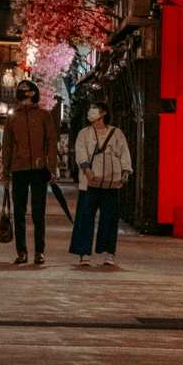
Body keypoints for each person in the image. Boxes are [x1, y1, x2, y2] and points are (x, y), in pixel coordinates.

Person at [1, 79, 59, 265]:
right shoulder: (12, 117)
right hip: (18, 169)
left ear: (33, 92)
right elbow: (7, 145)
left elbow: (51, 142)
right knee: (19, 212)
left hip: (39, 169)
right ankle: (21, 252)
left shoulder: (44, 114)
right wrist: (6, 170)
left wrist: (50, 167)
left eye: (24, 89)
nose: (21, 91)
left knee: (38, 213)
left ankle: (39, 251)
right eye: (19, 89)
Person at [69, 102, 132, 267]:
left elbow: (123, 152)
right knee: (85, 218)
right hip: (89, 182)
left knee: (109, 219)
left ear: (103, 112)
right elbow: (80, 151)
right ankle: (84, 252)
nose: (91, 111)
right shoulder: (84, 133)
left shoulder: (116, 133)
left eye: (95, 108)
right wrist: (85, 167)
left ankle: (110, 252)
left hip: (112, 182)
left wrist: (125, 171)